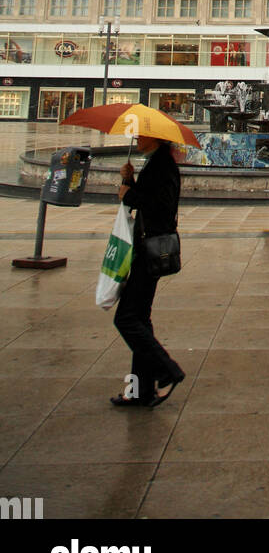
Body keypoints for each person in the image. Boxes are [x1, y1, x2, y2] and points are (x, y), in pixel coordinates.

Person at [111, 138, 185, 408]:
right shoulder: (158, 163)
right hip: (148, 248)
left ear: (155, 138)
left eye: (142, 135)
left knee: (127, 318)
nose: (137, 139)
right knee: (139, 318)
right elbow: (148, 200)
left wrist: (128, 194)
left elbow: (160, 207)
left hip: (150, 250)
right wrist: (129, 181)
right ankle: (141, 390)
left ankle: (167, 371)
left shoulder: (162, 166)